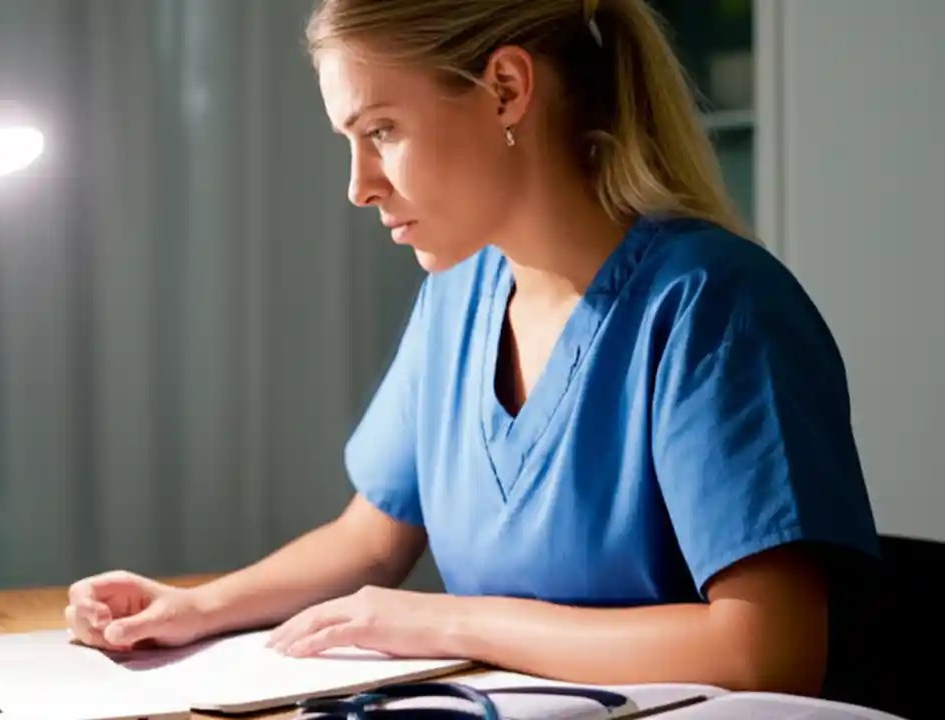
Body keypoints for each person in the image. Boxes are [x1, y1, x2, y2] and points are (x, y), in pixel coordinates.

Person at [65, 0, 881, 699]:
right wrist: (192, 610)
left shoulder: (712, 304)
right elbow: (369, 541)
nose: (359, 184)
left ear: (506, 89)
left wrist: (447, 620)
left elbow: (764, 654)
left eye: (381, 130)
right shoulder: (457, 298)